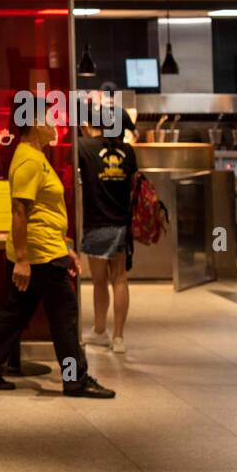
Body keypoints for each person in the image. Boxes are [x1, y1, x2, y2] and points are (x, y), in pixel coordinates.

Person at [0, 106, 116, 399]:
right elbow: (20, 211)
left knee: (17, 311)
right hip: (40, 254)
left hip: (45, 250)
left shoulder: (35, 159)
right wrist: (22, 259)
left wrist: (65, 248)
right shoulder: (29, 161)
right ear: (34, 124)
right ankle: (75, 379)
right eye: (49, 120)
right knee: (65, 317)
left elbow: (45, 211)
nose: (55, 125)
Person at [78, 110, 137, 354]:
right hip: (121, 223)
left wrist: (84, 133)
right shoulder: (128, 152)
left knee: (99, 280)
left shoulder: (85, 146)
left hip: (96, 223)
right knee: (119, 278)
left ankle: (99, 330)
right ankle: (119, 337)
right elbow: (133, 183)